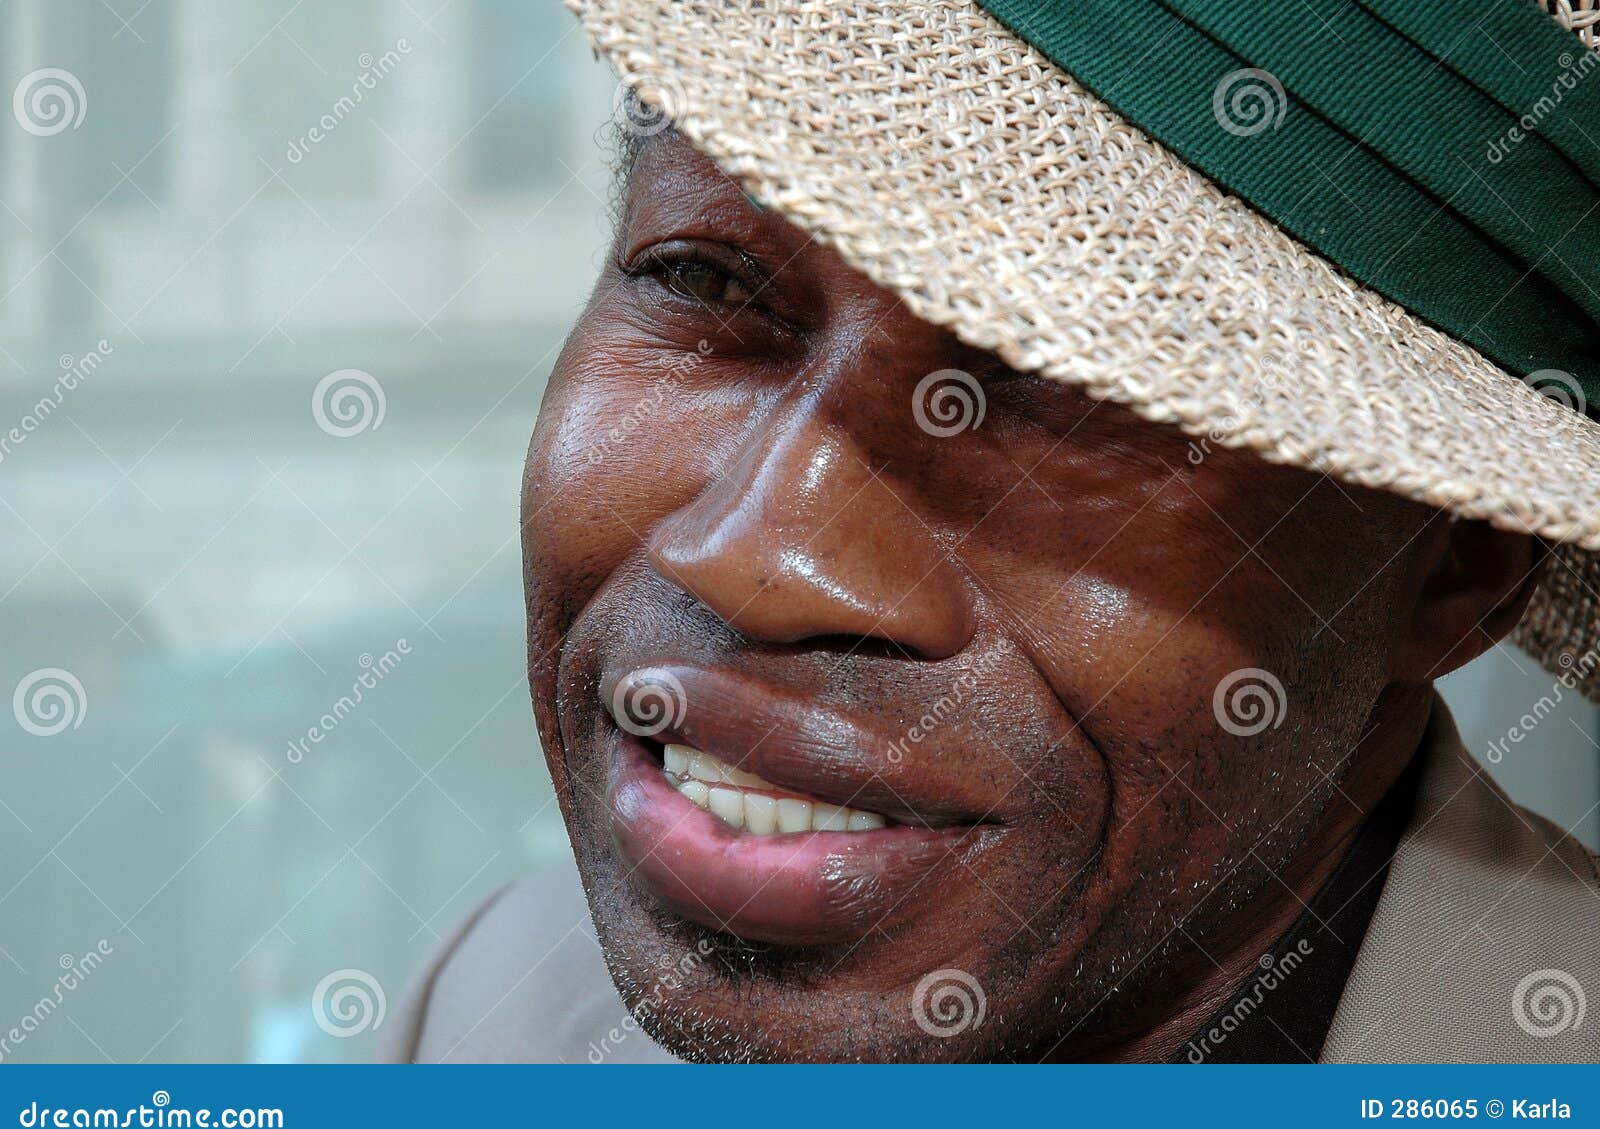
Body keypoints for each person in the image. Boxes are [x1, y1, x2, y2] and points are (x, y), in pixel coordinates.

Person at [382, 0, 1600, 1062]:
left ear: (1463, 558)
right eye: (702, 280)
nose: (756, 557)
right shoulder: (495, 1014)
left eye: (1076, 388)